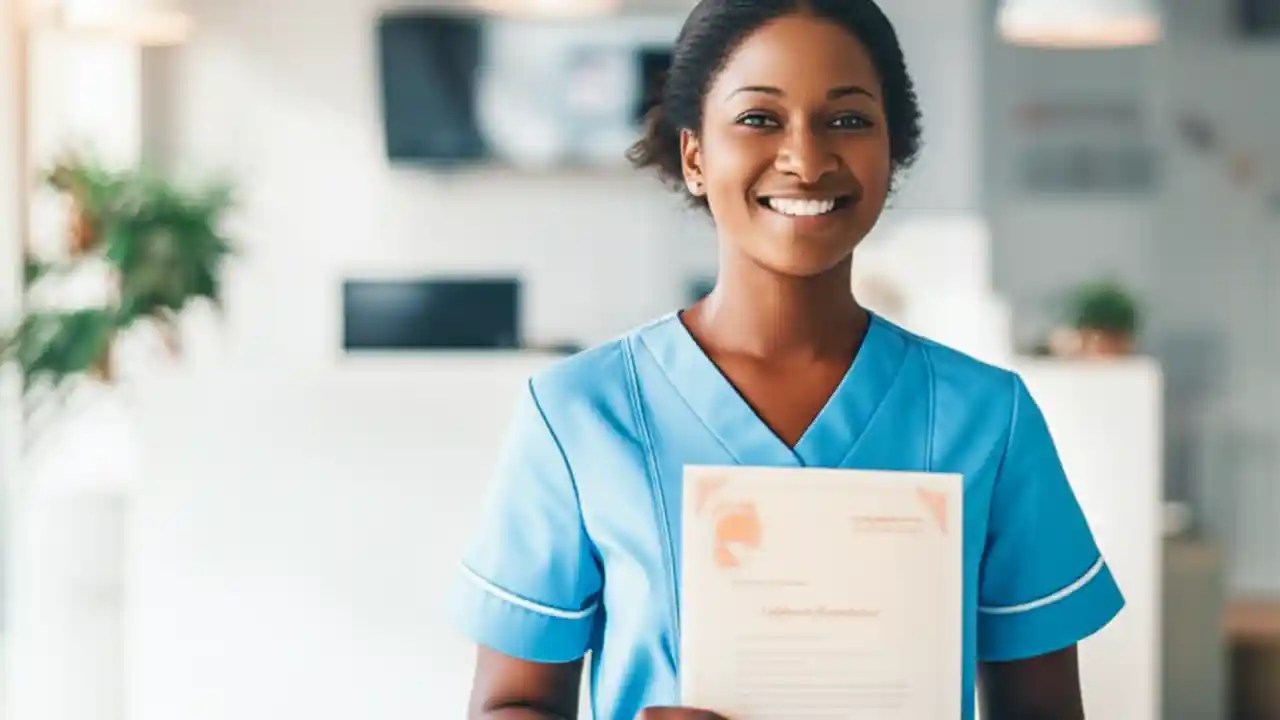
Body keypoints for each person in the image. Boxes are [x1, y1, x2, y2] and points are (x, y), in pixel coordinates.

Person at [453, 1, 1124, 718]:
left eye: (847, 120)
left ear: (891, 150)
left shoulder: (988, 419)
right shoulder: (579, 414)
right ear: (695, 156)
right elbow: (509, 704)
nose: (805, 158)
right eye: (758, 119)